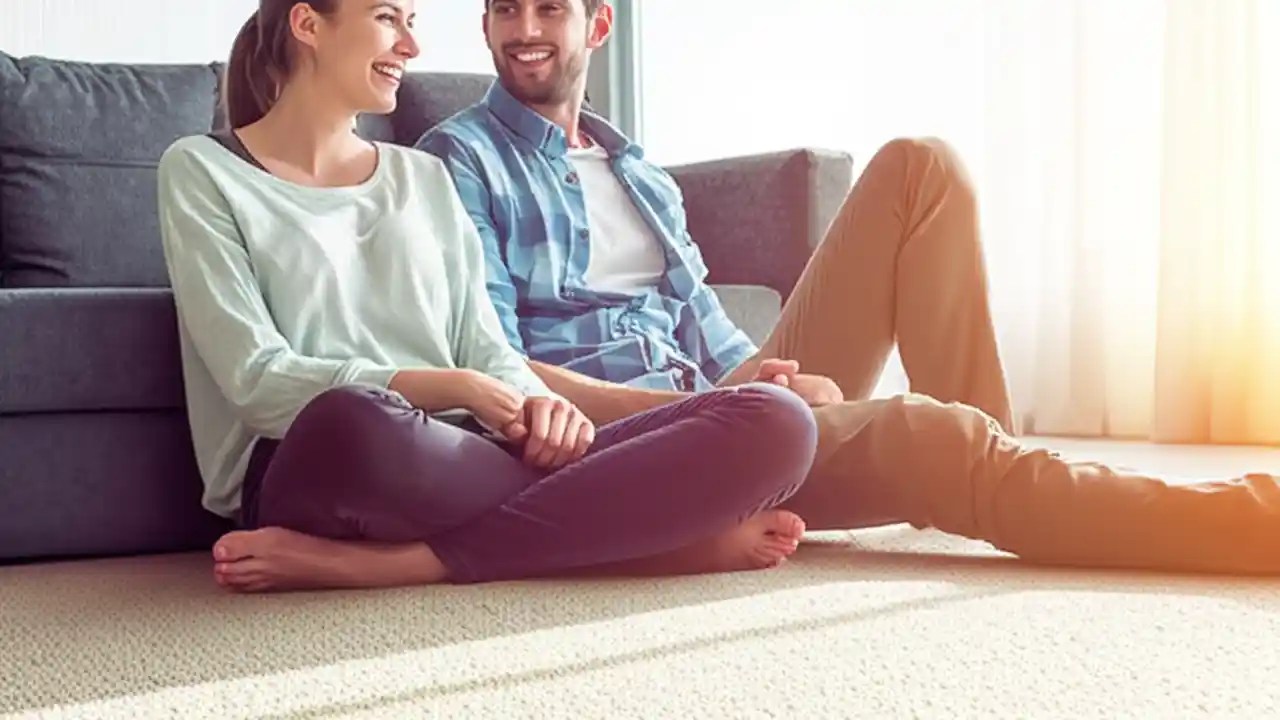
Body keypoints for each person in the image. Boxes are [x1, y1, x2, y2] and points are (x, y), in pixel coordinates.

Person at [417, 0, 1280, 575]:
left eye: (548, 7)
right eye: (503, 8)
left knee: (921, 166)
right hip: (645, 436)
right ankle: (1247, 523)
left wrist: (765, 381)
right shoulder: (462, 159)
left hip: (722, 399)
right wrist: (713, 412)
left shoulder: (634, 169)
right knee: (923, 435)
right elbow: (504, 368)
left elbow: (715, 335)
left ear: (597, 23)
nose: (523, 28)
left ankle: (1003, 468)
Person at [157, 0, 822, 594]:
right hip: (327, 454)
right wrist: (457, 387)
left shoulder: (422, 177)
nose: (411, 49)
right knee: (354, 420)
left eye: (413, 25)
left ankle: (408, 563)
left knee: (776, 419)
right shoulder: (203, 169)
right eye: (390, 18)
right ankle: (656, 534)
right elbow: (256, 380)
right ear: (308, 24)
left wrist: (533, 404)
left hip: (465, 453)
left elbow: (484, 341)